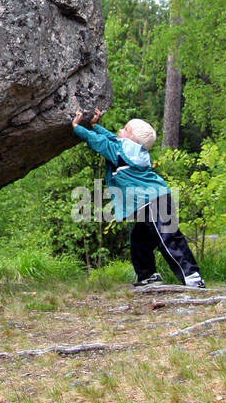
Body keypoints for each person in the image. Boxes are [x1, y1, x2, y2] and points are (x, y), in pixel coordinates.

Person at [71, 108, 205, 289]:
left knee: (168, 237)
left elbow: (99, 142)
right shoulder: (130, 150)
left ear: (130, 139)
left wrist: (77, 127)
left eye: (125, 129)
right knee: (140, 240)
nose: (120, 130)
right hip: (153, 199)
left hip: (153, 200)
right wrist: (95, 125)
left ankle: (192, 276)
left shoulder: (121, 151)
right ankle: (147, 276)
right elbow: (111, 139)